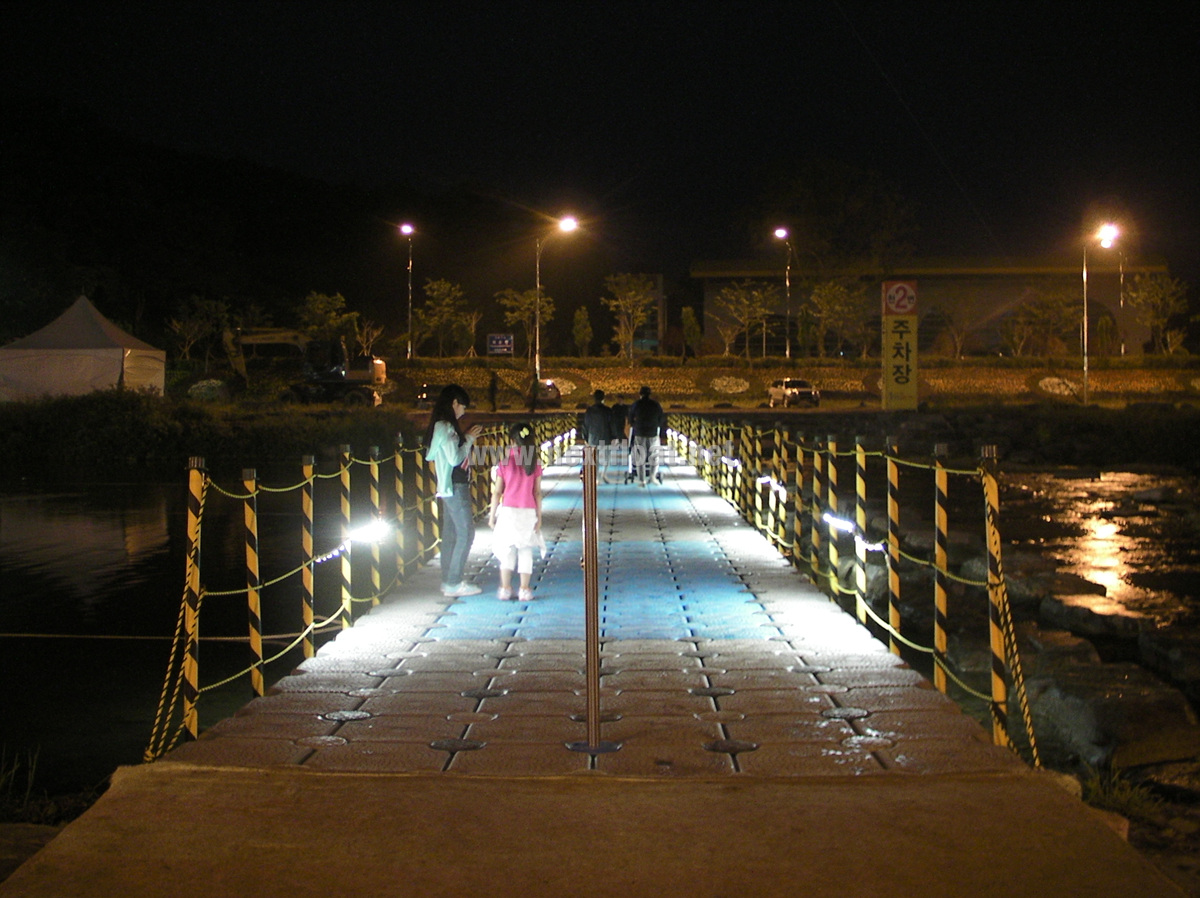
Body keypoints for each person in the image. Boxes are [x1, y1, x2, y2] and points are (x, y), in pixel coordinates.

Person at [424, 384, 483, 597]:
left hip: (447, 486)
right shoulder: (447, 427)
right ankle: (454, 582)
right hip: (456, 485)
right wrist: (468, 439)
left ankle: (448, 580)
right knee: (466, 533)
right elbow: (455, 458)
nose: (463, 411)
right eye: (463, 406)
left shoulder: (440, 426)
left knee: (450, 534)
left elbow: (431, 455)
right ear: (454, 403)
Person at [488, 421, 543, 601]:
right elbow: (537, 492)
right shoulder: (534, 463)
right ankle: (524, 589)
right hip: (528, 511)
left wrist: (492, 516)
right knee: (525, 550)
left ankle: (505, 588)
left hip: (508, 511)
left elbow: (497, 492)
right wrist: (539, 517)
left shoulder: (504, 463)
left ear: (512, 441)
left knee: (507, 549)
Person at [628, 385, 666, 486]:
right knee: (654, 456)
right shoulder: (655, 404)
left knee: (640, 457)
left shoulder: (636, 404)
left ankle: (642, 480)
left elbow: (630, 417)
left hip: (640, 433)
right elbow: (661, 417)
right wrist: (656, 425)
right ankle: (652, 477)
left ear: (640, 394)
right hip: (653, 433)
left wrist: (634, 425)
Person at [581, 389, 614, 483]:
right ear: (603, 398)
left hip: (593, 438)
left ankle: (596, 478)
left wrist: (585, 437)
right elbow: (612, 424)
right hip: (605, 437)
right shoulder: (608, 410)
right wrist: (614, 436)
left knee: (595, 459)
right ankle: (604, 474)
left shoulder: (589, 411)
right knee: (607, 458)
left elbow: (585, 425)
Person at [608, 393, 630, 483]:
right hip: (616, 422)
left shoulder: (625, 407)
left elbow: (627, 415)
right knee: (617, 432)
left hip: (622, 422)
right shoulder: (615, 407)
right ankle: (618, 442)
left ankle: (620, 443)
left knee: (621, 432)